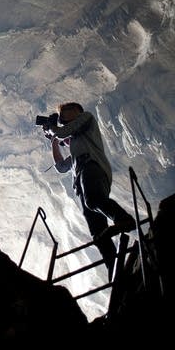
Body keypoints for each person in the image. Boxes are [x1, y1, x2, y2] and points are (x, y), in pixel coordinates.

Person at [41, 101, 135, 279]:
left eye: (64, 114)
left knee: (93, 201)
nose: (62, 119)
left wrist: (54, 129)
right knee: (98, 234)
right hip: (83, 178)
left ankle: (124, 219)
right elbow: (61, 166)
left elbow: (62, 132)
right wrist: (54, 142)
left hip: (91, 167)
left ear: (76, 111)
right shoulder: (77, 143)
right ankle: (115, 270)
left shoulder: (87, 118)